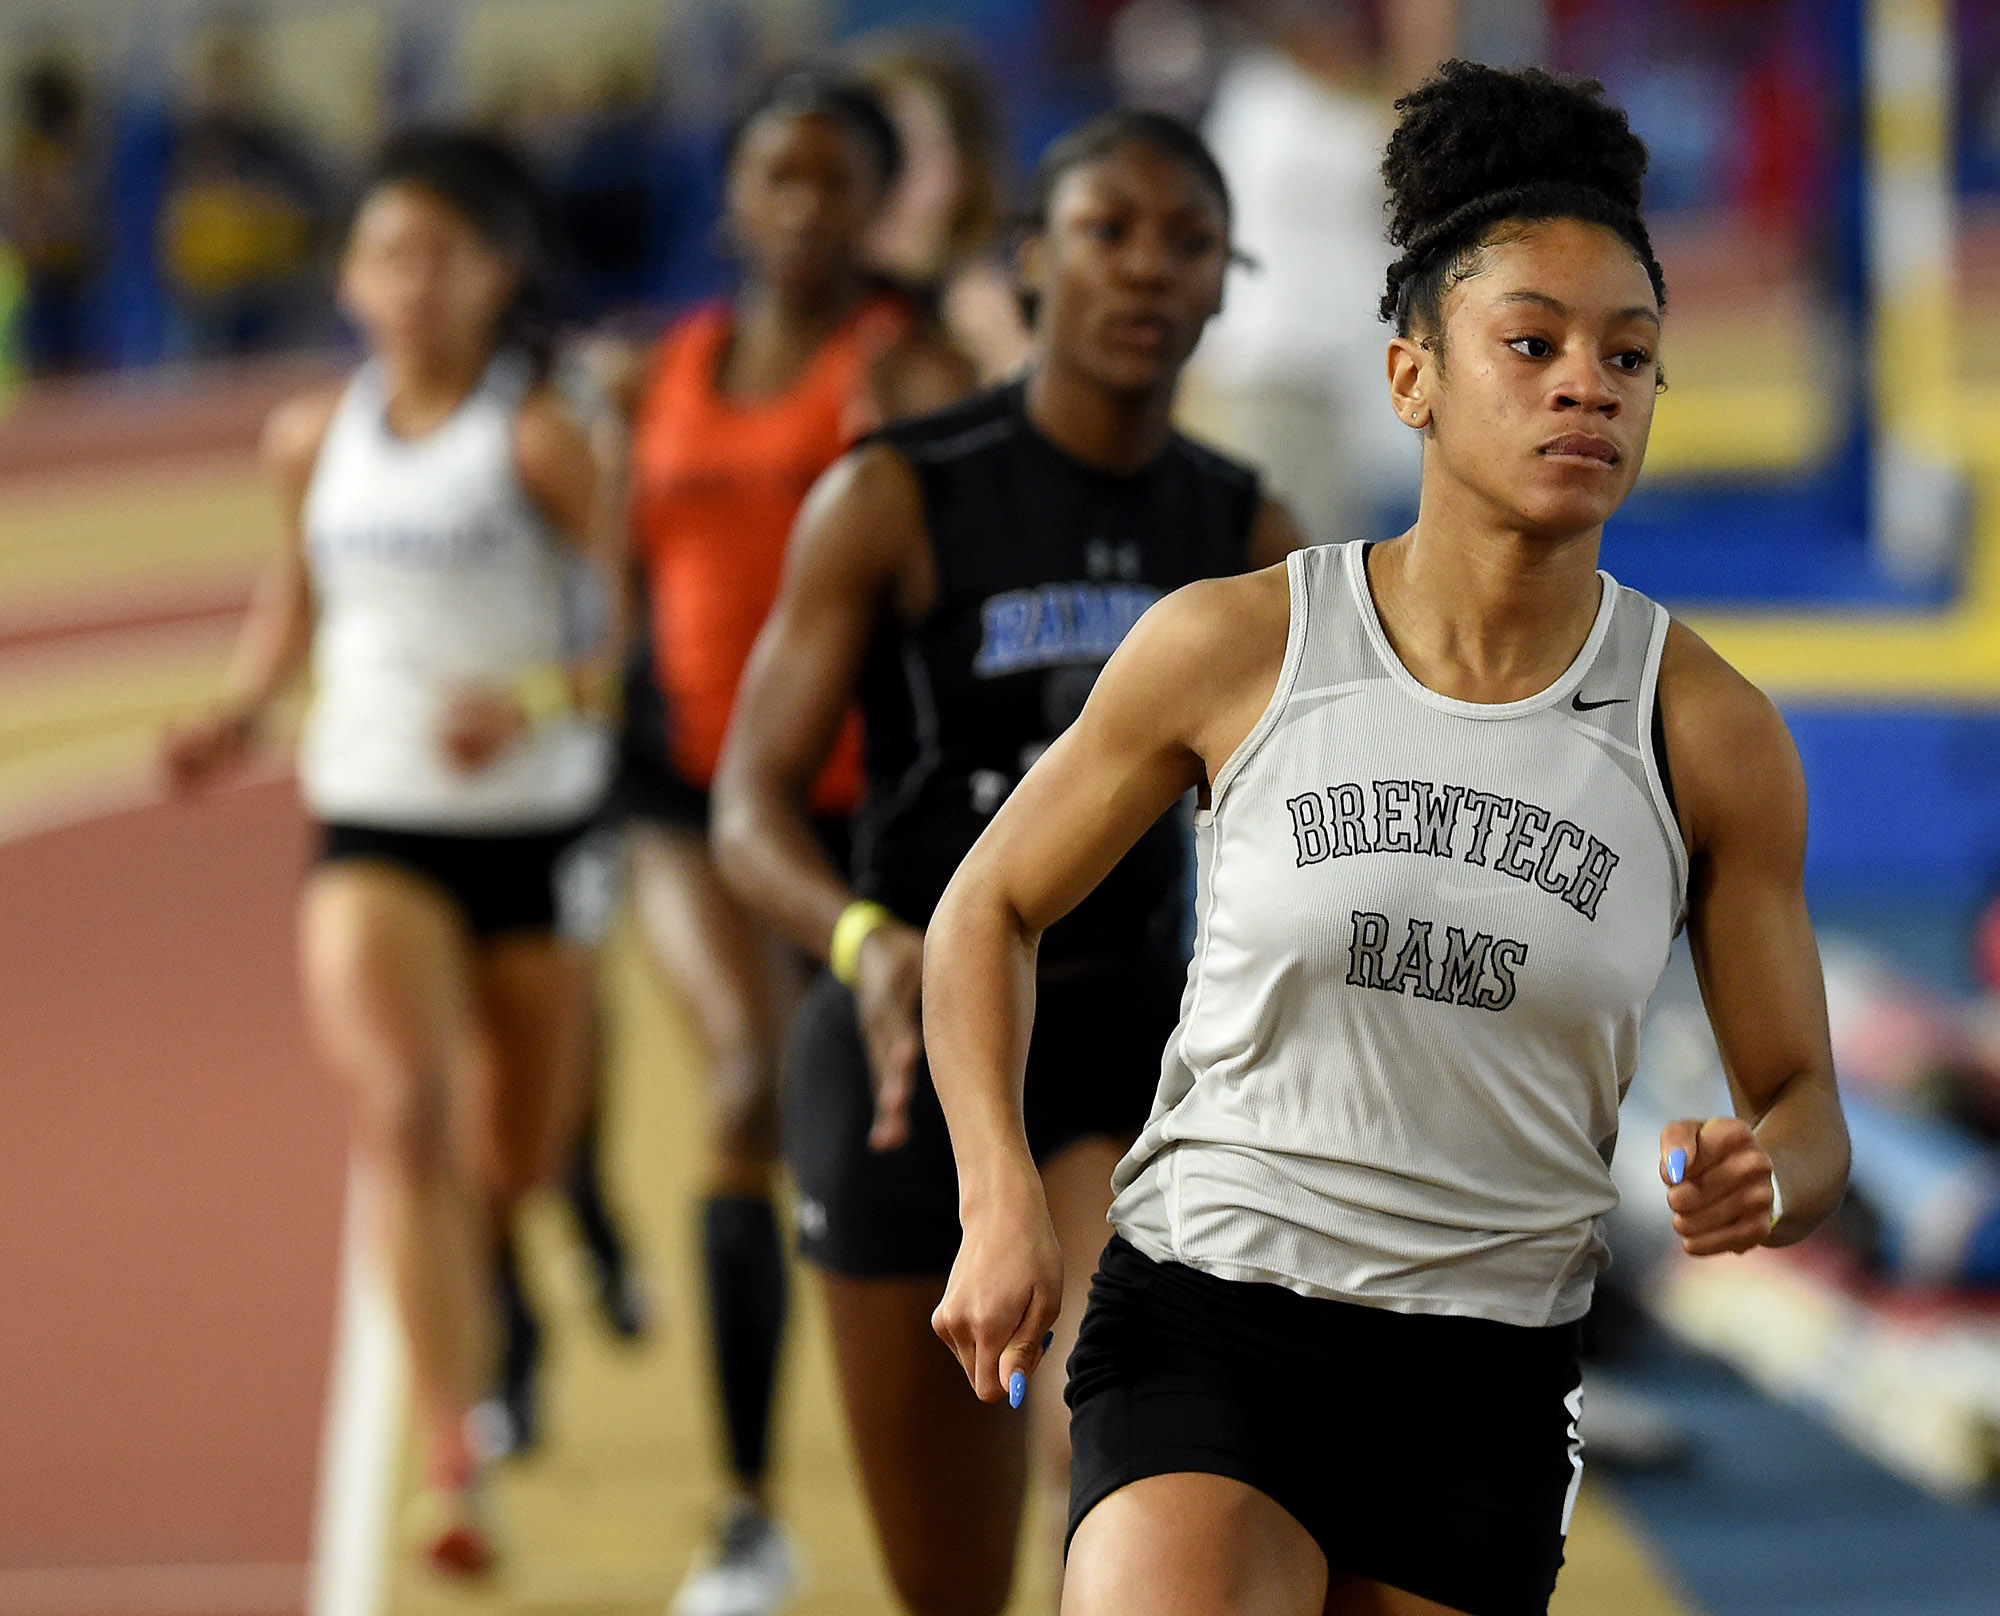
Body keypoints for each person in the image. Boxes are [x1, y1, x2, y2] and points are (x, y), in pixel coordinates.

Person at [923, 62, 1852, 1616]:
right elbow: (988, 907)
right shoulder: (1240, 645)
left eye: (1630, 356)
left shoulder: (1707, 730)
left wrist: (1775, 1173)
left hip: (1485, 1384)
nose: (1589, 385)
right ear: (1410, 377)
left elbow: (1804, 1100)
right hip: (1212, 1314)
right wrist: (1001, 1196)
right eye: (1533, 345)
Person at [711, 109, 1303, 1616]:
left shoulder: (1247, 535)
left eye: (1187, 243)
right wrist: (864, 945)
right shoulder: (896, 493)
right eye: (1109, 233)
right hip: (902, 1045)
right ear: (1035, 263)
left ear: (1228, 285)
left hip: (1131, 1054)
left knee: (1127, 1473)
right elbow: (747, 807)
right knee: (951, 1586)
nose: (1147, 272)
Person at [159, 131, 615, 1577]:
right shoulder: (311, 438)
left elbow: (634, 633)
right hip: (372, 820)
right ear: (349, 278)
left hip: (534, 832)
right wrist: (237, 713)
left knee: (517, 1163)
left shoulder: (540, 435)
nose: (406, 286)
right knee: (406, 1113)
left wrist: (535, 700)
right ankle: (449, 1444)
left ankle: (494, 1301)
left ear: (495, 274)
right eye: (381, 257)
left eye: (436, 258)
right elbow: (294, 590)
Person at [612, 66, 971, 1616]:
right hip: (689, 794)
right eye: (780, 177)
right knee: (744, 1086)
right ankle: (749, 1513)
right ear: (734, 198)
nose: (804, 209)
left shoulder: (903, 363)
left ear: (880, 202)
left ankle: (963, 1476)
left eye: (837, 181)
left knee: (898, 1142)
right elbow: (629, 569)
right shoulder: (671, 364)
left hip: (857, 814)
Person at [853, 38, 1032, 384]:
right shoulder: (804, 317)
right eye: (880, 151)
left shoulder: (988, 325)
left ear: (966, 173)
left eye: (917, 154)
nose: (894, 182)